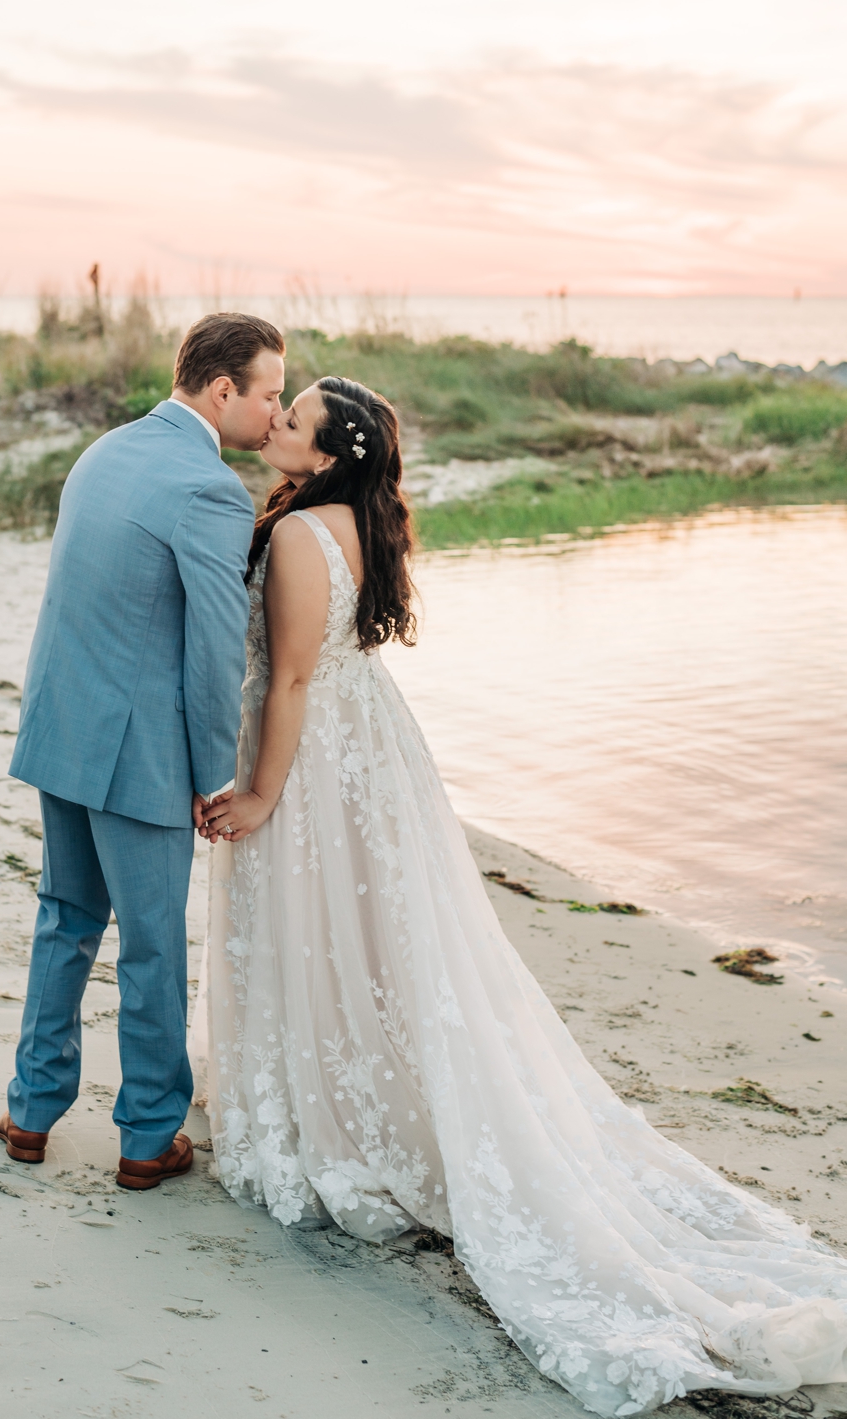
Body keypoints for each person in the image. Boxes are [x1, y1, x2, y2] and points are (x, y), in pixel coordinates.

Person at [189, 374, 847, 1416]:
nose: (275, 420)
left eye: (293, 415)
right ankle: (358, 1095)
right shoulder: (348, 523)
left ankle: (342, 1124)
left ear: (327, 453)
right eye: (280, 404)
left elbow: (296, 681)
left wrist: (262, 791)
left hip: (320, 767)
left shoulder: (301, 534)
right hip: (373, 760)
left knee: (334, 935)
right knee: (375, 943)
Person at [0, 312, 285, 1190]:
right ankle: (147, 1134)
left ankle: (30, 1111)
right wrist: (214, 774)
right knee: (154, 943)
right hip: (141, 756)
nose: (276, 414)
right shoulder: (209, 490)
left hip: (63, 727)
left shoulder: (104, 451)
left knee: (66, 917)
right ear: (222, 388)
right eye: (270, 394)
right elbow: (213, 649)